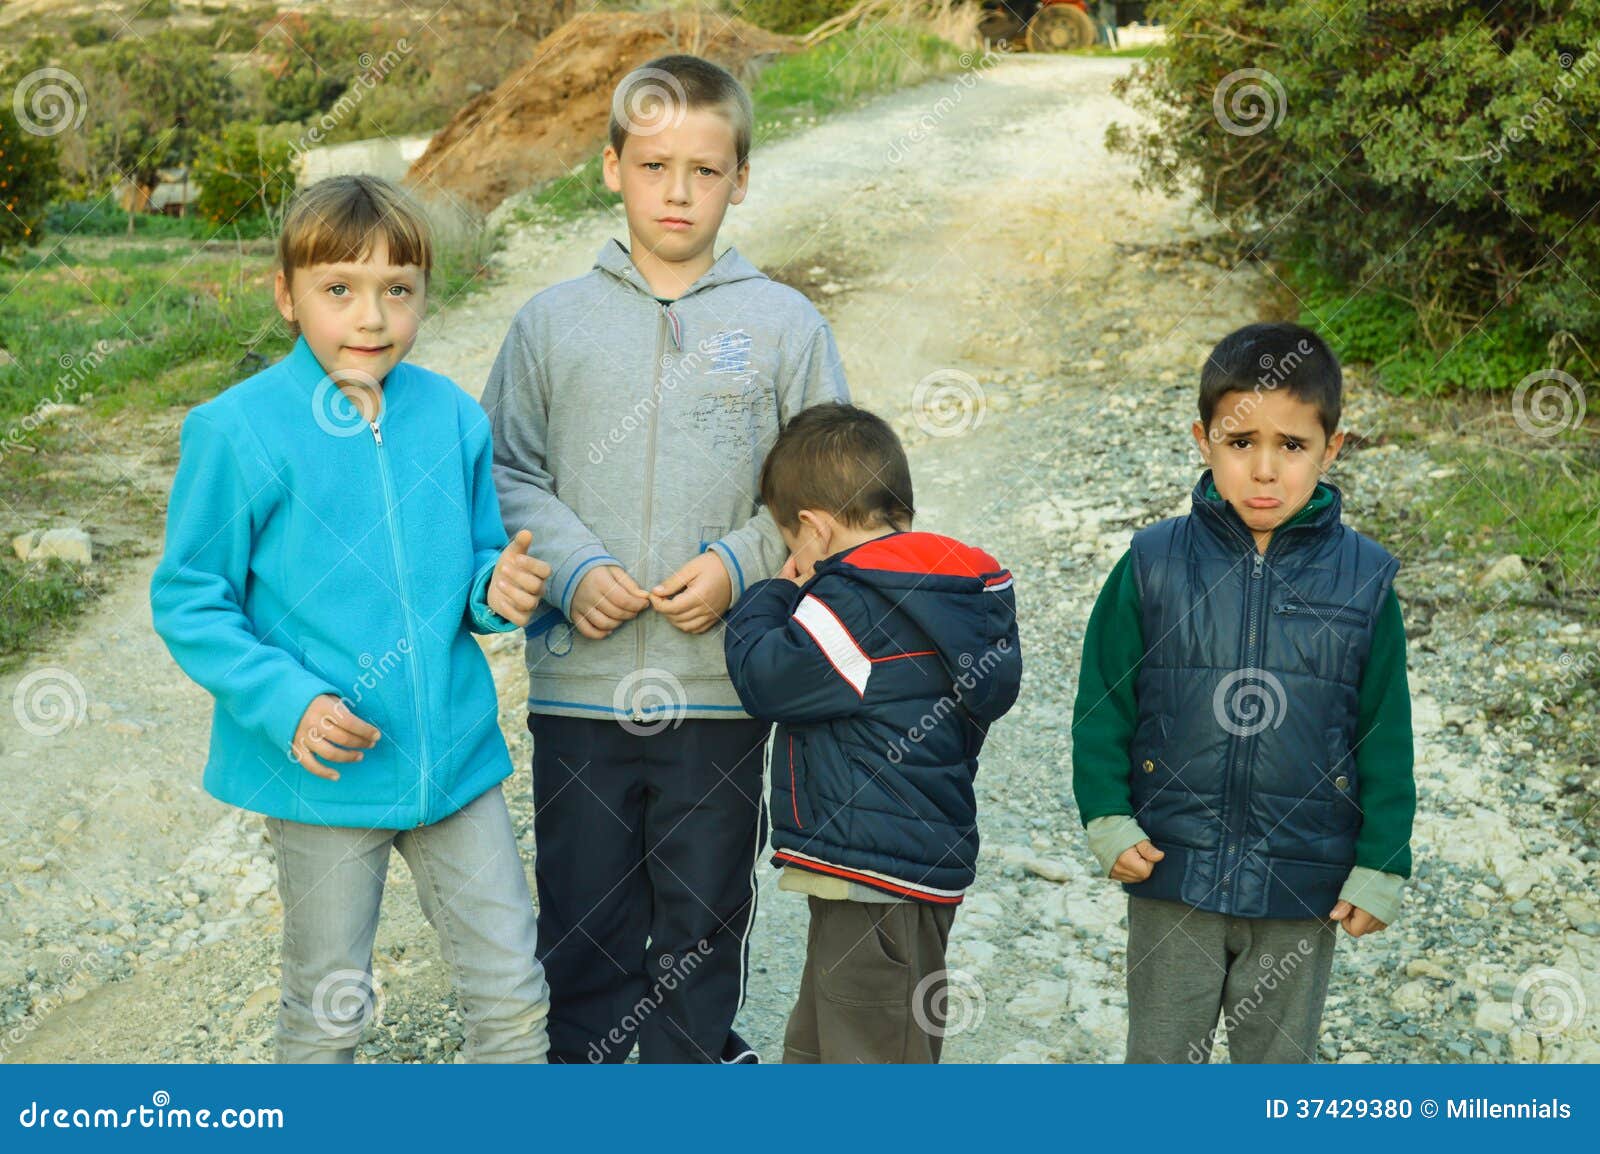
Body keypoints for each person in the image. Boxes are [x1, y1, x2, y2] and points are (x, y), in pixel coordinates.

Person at [479, 54, 849, 1063]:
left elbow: (830, 495)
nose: (677, 191)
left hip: (720, 692)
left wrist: (738, 564)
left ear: (741, 180)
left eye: (705, 169)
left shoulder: (784, 324)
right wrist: (570, 569)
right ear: (611, 168)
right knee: (584, 920)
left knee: (701, 922)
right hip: (580, 693)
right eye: (653, 166)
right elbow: (503, 470)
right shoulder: (549, 323)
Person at [151, 174, 552, 1063]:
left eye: (397, 290)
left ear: (424, 295)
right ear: (286, 295)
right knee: (328, 1012)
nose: (371, 318)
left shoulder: (453, 417)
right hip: (323, 776)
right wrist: (288, 702)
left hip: (455, 761)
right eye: (339, 288)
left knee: (515, 997)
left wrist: (496, 590)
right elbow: (189, 595)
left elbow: (477, 566)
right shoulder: (237, 429)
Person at [1071, 321, 1415, 1063]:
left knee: (1277, 1075)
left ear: (1331, 448)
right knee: (1161, 1064)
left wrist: (1382, 862)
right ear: (1204, 441)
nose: (1264, 470)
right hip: (1173, 872)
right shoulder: (1153, 563)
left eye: (1291, 445)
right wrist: (1107, 818)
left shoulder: (1364, 581)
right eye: (1239, 442)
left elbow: (1385, 732)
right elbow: (1103, 701)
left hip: (1302, 884)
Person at [724, 403, 1022, 1062]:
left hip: (874, 877)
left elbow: (766, 679)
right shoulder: (953, 593)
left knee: (870, 1053)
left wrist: (771, 595)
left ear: (814, 529)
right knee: (825, 1044)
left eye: (791, 542)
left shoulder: (853, 605)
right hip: (896, 870)